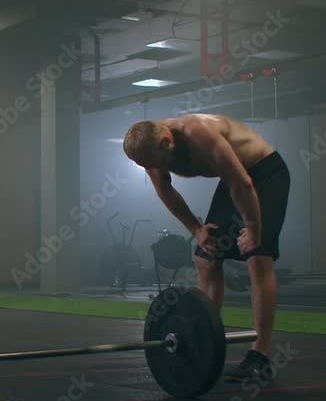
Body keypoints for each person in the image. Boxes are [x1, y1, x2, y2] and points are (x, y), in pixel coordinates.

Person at [122, 114, 290, 382]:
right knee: (206, 257)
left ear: (166, 140)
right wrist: (196, 229)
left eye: (157, 163)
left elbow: (243, 183)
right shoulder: (150, 151)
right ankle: (203, 338)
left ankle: (260, 355)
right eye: (148, 166)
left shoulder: (198, 132)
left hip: (264, 173)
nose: (155, 169)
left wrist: (254, 230)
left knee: (257, 257)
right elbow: (165, 190)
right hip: (235, 181)